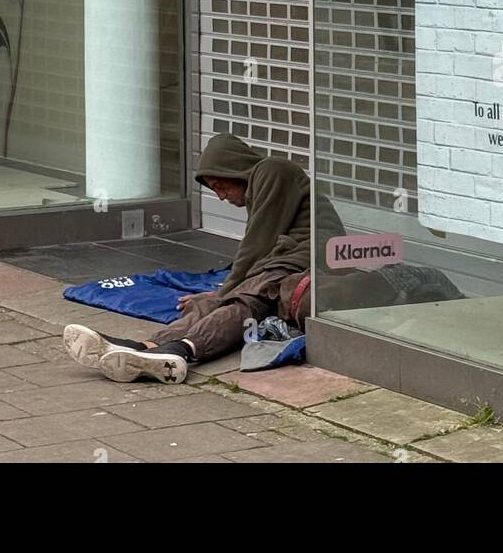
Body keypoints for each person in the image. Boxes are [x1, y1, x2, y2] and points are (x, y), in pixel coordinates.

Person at [64, 132, 339, 384]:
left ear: (235, 169)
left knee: (244, 300)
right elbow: (260, 251)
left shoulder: (272, 170)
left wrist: (223, 293)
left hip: (309, 258)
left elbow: (257, 244)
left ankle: (180, 351)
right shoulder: (259, 182)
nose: (220, 197)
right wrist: (217, 294)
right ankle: (147, 348)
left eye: (221, 186)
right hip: (281, 261)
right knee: (213, 301)